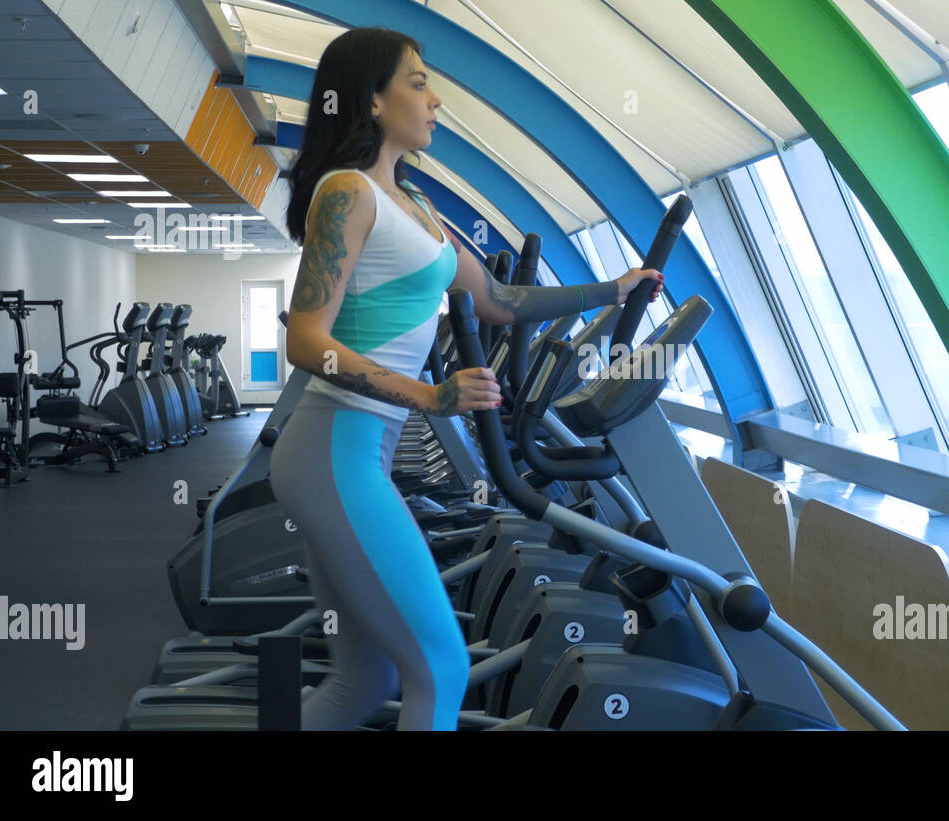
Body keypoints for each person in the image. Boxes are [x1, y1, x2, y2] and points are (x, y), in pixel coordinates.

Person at [271, 27, 663, 731]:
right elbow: (305, 339)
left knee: (366, 678)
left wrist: (613, 288)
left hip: (357, 453)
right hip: (334, 451)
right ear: (372, 101)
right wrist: (431, 395)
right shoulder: (346, 193)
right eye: (418, 83)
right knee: (442, 666)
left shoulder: (415, 204)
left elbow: (502, 301)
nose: (436, 100)